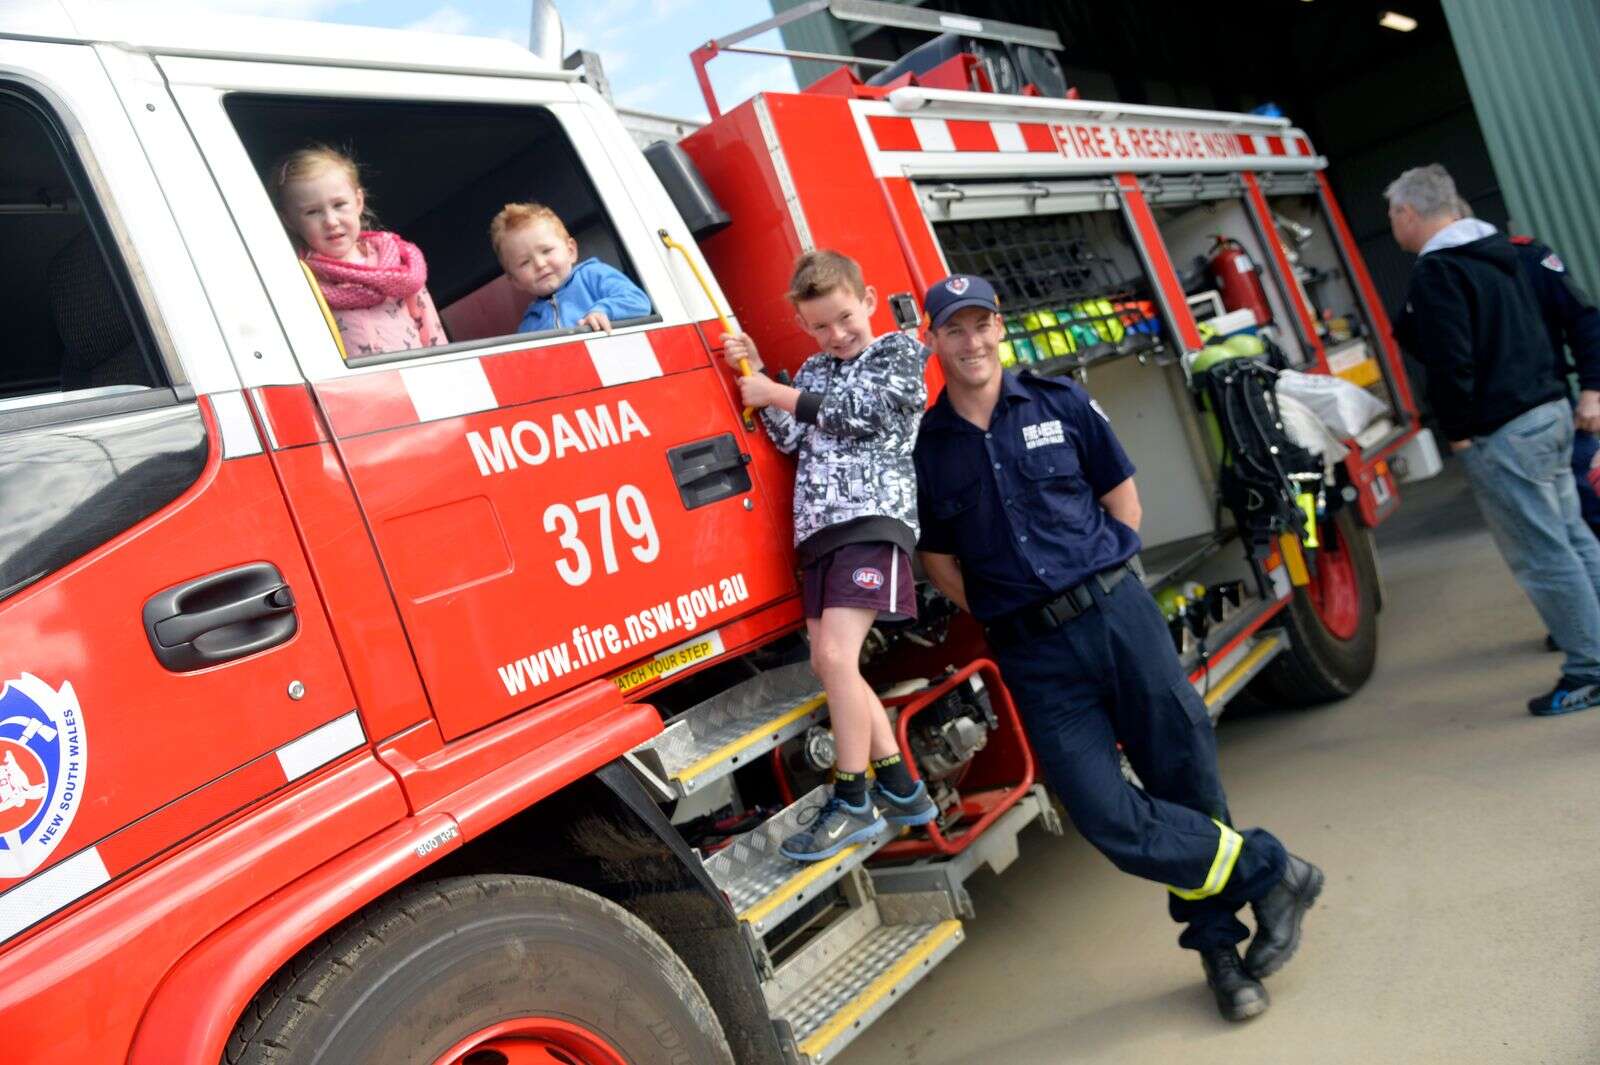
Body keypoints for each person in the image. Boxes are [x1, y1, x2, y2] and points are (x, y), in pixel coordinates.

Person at [913, 273, 1321, 1022]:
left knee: (1184, 780)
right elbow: (940, 559)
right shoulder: (930, 446)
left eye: (981, 324)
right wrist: (1010, 608)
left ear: (999, 328)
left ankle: (1221, 959)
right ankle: (1273, 868)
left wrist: (1106, 581)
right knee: (1105, 814)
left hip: (1115, 614)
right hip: (1034, 653)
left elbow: (1121, 498)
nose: (971, 341)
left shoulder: (1061, 402)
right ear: (932, 339)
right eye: (954, 328)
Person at [721, 249, 938, 861]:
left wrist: (776, 393)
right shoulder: (814, 369)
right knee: (830, 663)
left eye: (845, 318)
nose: (837, 335)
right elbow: (792, 435)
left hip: (872, 521)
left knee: (838, 656)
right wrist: (764, 379)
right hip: (819, 534)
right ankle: (902, 785)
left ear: (868, 301)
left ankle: (853, 799)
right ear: (803, 325)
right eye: (820, 326)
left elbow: (863, 416)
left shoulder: (898, 352)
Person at [1388, 164, 1600, 716]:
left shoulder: (1439, 272)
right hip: (1549, 412)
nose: (1392, 225)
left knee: (1544, 555)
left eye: (1392, 214)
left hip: (1505, 430)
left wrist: (1456, 431)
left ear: (1409, 213)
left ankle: (1590, 669)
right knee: (1573, 538)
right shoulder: (1505, 254)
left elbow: (1450, 359)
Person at [270, 145, 446, 358]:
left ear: (358, 202)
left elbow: (432, 332)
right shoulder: (301, 281)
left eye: (339, 204)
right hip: (354, 388)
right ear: (289, 221)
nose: (331, 221)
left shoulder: (399, 266)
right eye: (312, 212)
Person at [489, 202, 651, 335]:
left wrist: (603, 311)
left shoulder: (594, 275)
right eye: (525, 262)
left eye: (546, 251)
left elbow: (638, 301)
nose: (540, 264)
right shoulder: (529, 325)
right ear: (515, 280)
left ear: (571, 251)